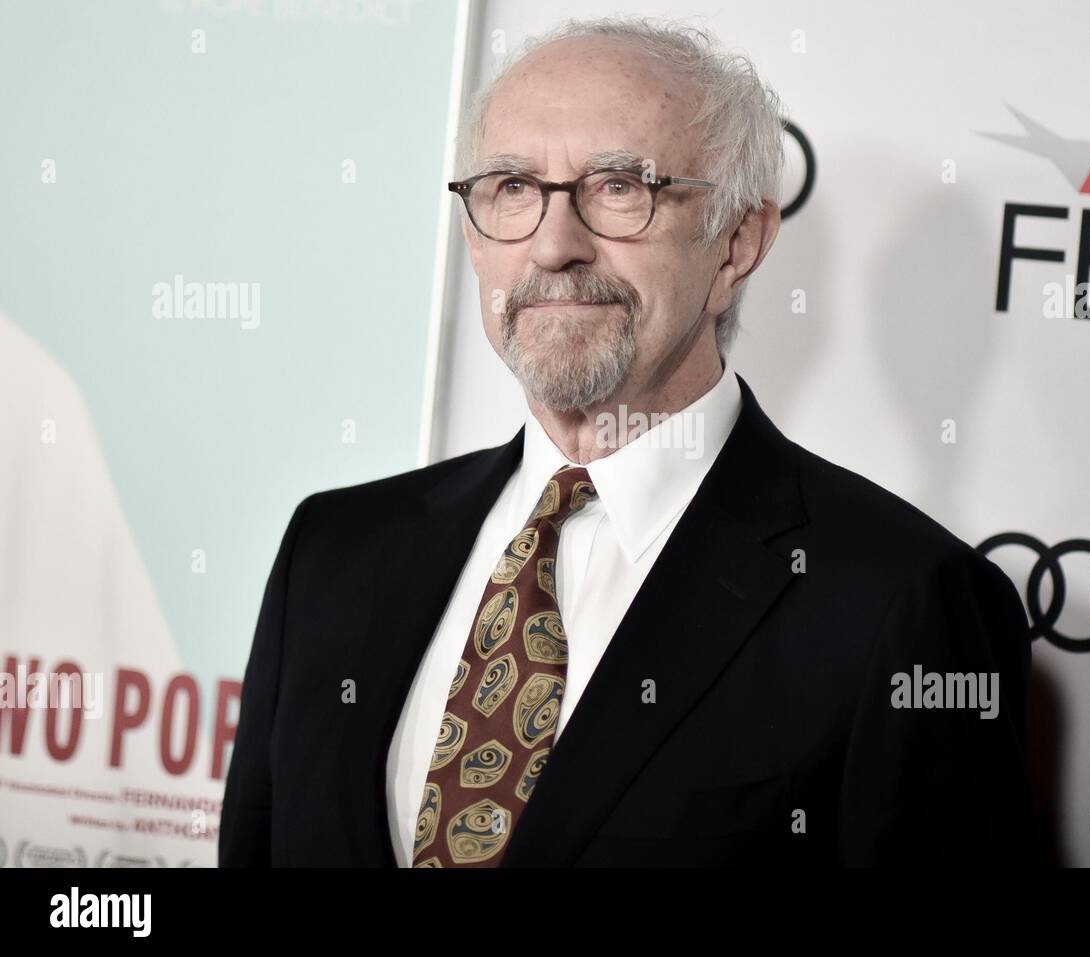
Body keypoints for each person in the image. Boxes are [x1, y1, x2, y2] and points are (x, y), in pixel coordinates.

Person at [219, 16, 1034, 867]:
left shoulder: (899, 603)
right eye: (511, 187)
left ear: (738, 241)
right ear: (472, 228)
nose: (554, 245)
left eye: (618, 186)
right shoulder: (335, 549)